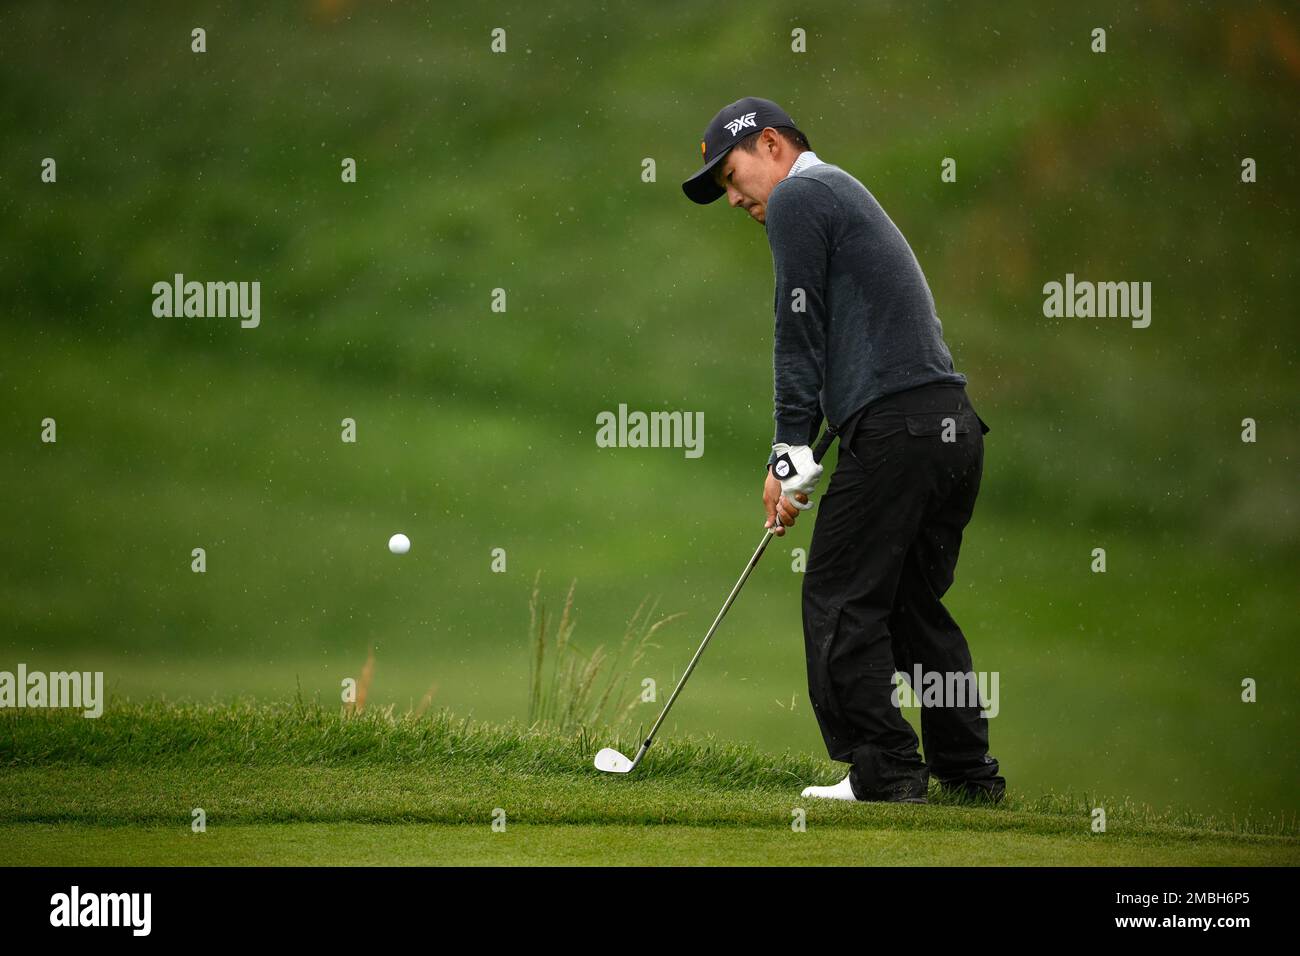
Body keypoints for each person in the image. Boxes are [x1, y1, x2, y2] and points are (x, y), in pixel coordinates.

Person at [681, 97, 1006, 804]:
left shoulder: (800, 196)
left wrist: (786, 451)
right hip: (950, 428)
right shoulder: (841, 192)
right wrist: (809, 447)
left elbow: (796, 330)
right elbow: (857, 344)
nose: (733, 198)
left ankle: (885, 775)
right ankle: (969, 776)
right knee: (912, 607)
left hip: (899, 433)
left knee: (839, 598)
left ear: (771, 145)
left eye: (731, 177)